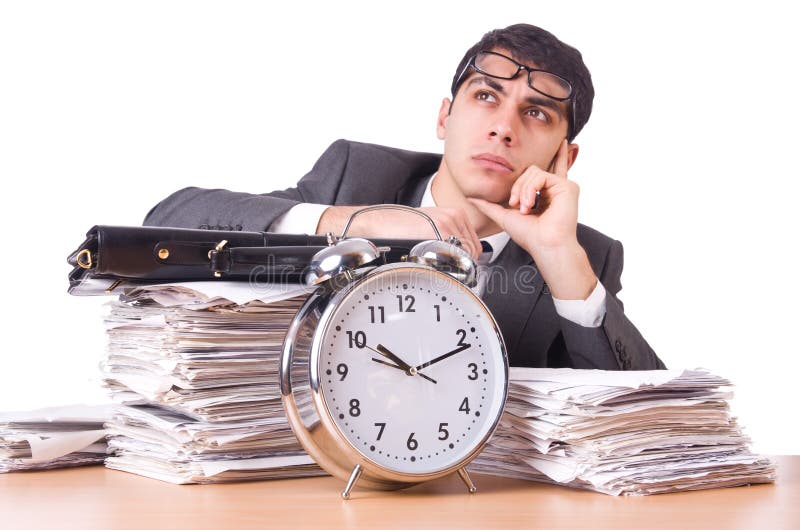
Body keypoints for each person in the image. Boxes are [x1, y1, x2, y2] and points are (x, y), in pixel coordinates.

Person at [143, 23, 666, 371]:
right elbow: (167, 223)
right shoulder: (356, 179)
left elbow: (644, 425)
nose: (503, 128)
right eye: (486, 96)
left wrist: (559, 258)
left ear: (564, 158)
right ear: (444, 117)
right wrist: (358, 223)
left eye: (536, 113)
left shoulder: (582, 259)